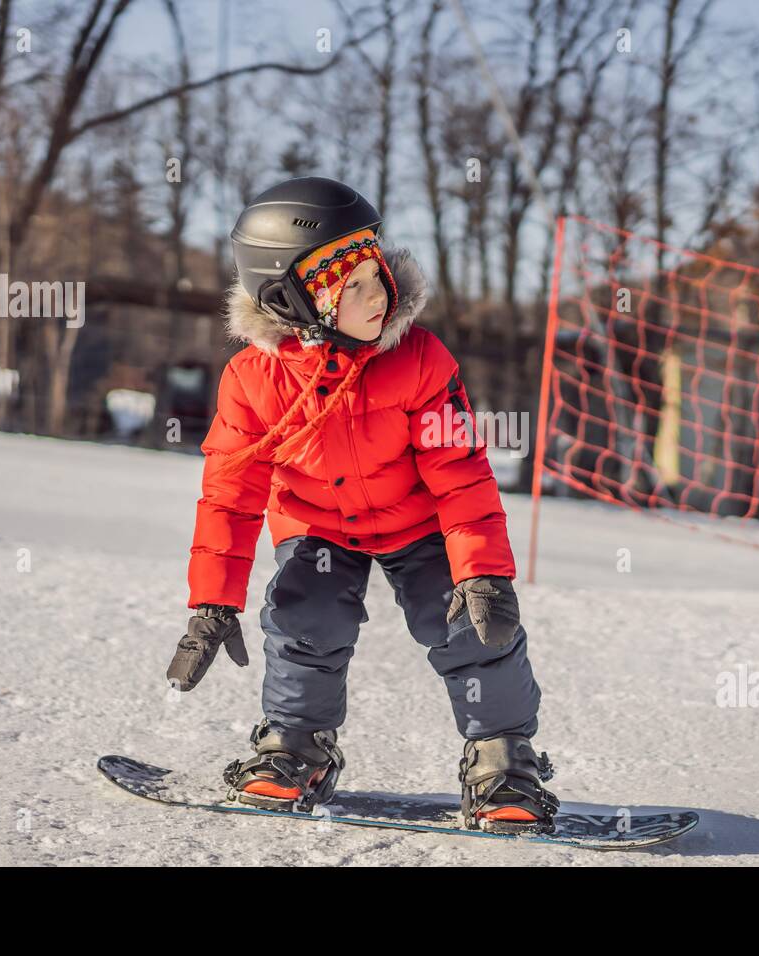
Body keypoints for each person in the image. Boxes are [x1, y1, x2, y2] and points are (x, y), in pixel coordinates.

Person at [164, 177, 557, 831]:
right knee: (303, 617)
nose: (378, 298)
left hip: (419, 521)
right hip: (318, 525)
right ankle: (297, 745)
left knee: (463, 620)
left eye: (376, 278)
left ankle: (503, 757)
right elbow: (230, 497)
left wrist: (482, 571)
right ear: (290, 300)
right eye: (353, 290)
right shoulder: (253, 379)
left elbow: (461, 474)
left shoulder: (420, 359)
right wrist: (212, 602)